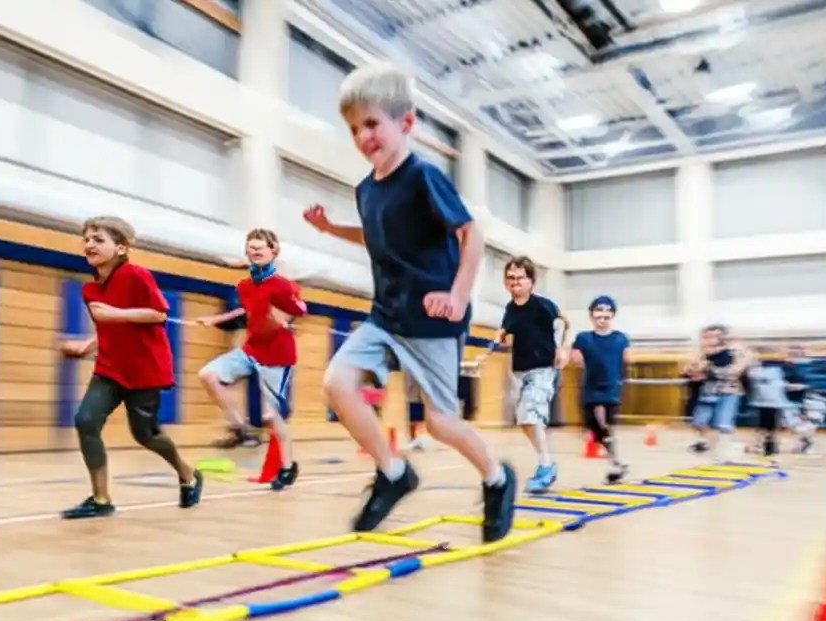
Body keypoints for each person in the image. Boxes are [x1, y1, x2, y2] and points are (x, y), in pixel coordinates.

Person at [303, 62, 518, 543]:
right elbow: (377, 236)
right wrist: (330, 229)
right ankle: (394, 471)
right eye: (355, 128)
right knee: (337, 383)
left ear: (406, 123)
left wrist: (460, 295)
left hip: (432, 320)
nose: (363, 136)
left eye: (372, 124)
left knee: (441, 422)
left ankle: (497, 479)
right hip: (385, 315)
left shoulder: (424, 177)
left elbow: (471, 233)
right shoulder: (366, 189)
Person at [57, 216, 203, 519]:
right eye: (86, 239)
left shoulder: (137, 276)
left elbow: (159, 314)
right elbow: (109, 328)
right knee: (85, 420)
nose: (89, 244)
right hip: (110, 367)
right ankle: (100, 499)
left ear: (121, 247)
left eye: (98, 240)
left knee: (145, 435)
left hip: (144, 369)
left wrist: (115, 313)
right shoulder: (90, 290)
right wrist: (88, 345)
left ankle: (187, 473)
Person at [194, 229, 307, 491]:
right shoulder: (245, 286)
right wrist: (215, 319)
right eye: (251, 248)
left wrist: (283, 319)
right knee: (208, 375)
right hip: (251, 350)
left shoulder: (282, 284)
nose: (255, 251)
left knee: (272, 415)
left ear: (273, 251)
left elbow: (300, 309)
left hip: (277, 356)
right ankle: (240, 427)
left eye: (261, 248)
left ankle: (288, 467)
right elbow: (246, 310)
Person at [494, 255, 568, 493]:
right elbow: (507, 327)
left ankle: (547, 466)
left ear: (531, 281)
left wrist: (562, 348)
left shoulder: (543, 306)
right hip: (519, 370)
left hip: (542, 368)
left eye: (520, 278)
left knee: (530, 417)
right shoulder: (509, 308)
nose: (515, 282)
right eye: (510, 278)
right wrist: (501, 334)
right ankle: (545, 463)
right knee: (525, 422)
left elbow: (563, 322)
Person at [570, 296, 630, 483]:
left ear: (612, 316)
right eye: (598, 316)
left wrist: (622, 380)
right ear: (592, 316)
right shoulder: (584, 338)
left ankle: (615, 463)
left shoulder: (620, 338)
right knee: (594, 432)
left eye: (606, 316)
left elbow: (626, 360)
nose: (602, 320)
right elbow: (575, 358)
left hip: (610, 387)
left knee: (603, 423)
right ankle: (616, 463)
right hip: (590, 386)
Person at [689, 324, 747, 460]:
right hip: (708, 391)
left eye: (711, 337)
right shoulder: (703, 354)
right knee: (699, 421)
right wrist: (695, 370)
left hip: (728, 391)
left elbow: (734, 372)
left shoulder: (735, 351)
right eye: (705, 337)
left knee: (724, 422)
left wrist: (709, 369)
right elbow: (692, 370)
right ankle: (706, 443)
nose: (707, 340)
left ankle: (726, 450)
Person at [745, 347, 790, 457]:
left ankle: (768, 445)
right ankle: (764, 444)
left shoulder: (772, 370)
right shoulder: (758, 371)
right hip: (763, 401)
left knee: (769, 426)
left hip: (772, 402)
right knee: (766, 425)